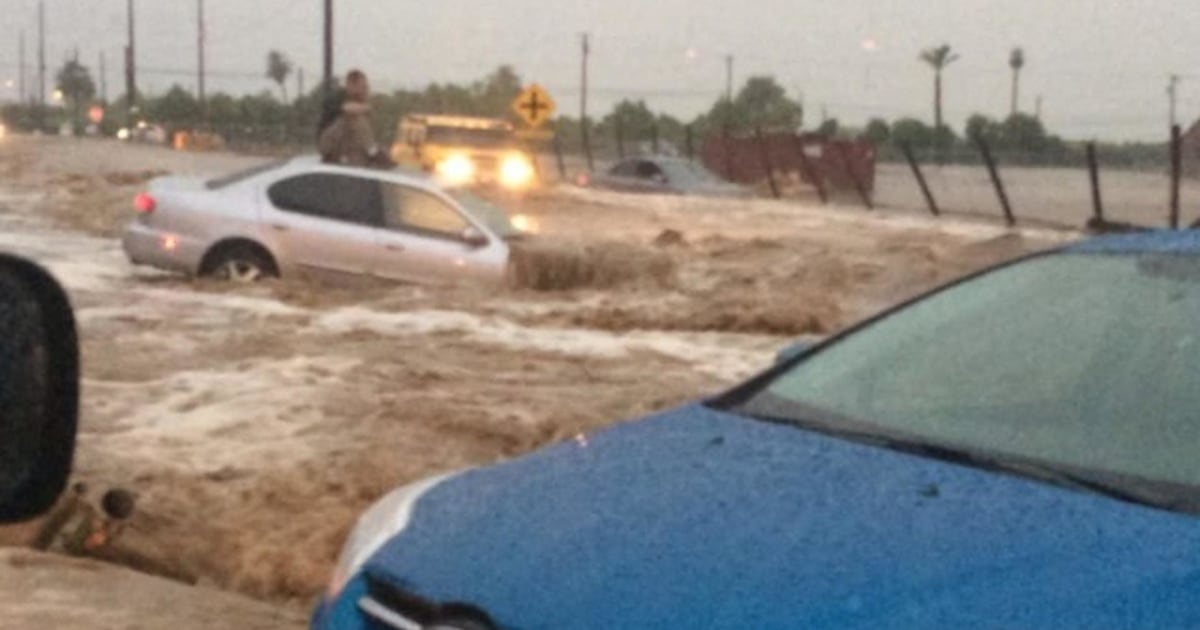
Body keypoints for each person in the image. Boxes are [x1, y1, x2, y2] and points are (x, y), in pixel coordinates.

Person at [318, 70, 393, 168]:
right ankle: (373, 152)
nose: (364, 89)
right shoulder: (337, 96)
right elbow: (349, 109)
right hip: (327, 143)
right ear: (351, 85)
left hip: (344, 143)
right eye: (362, 86)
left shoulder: (359, 100)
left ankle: (373, 155)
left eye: (365, 87)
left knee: (360, 160)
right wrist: (367, 106)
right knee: (354, 116)